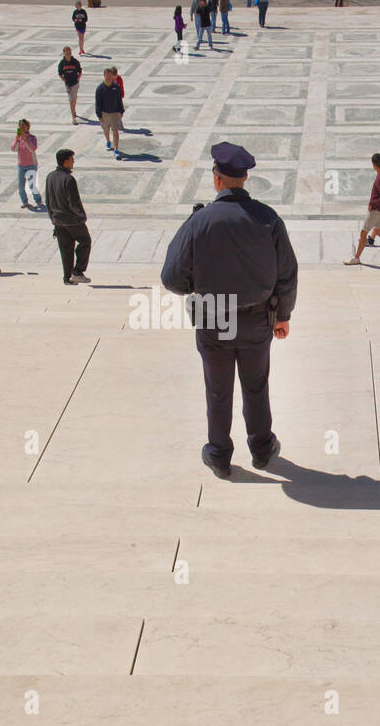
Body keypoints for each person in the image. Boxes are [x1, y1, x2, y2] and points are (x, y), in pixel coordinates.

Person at [160, 142, 298, 480]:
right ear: (245, 177)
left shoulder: (200, 221)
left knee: (218, 389)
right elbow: (287, 272)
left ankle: (220, 455)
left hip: (214, 319)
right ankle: (262, 448)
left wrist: (196, 286)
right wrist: (284, 316)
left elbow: (171, 278)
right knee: (256, 387)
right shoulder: (268, 219)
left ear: (216, 179)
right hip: (257, 321)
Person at [344, 154, 380, 266]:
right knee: (379, 231)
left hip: (375, 210)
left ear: (374, 164)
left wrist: (372, 203)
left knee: (363, 232)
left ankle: (356, 258)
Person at [45, 148, 90, 285]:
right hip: (72, 220)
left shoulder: (50, 176)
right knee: (85, 241)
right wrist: (82, 216)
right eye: (71, 159)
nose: (73, 161)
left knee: (66, 249)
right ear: (65, 162)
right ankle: (77, 271)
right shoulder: (69, 179)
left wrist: (52, 217)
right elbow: (74, 202)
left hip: (58, 220)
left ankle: (67, 278)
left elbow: (48, 199)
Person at [95, 68, 127, 159]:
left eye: (110, 76)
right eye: (107, 76)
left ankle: (116, 150)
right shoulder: (100, 88)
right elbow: (97, 102)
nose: (109, 77)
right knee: (106, 130)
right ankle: (108, 141)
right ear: (104, 76)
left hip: (115, 113)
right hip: (104, 114)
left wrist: (121, 111)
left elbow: (119, 100)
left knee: (115, 131)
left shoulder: (116, 87)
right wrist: (99, 115)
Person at [12, 119, 41, 208]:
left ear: (28, 127)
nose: (22, 128)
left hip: (31, 165)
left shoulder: (32, 138)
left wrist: (25, 140)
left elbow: (32, 148)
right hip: (21, 165)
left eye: (24, 127)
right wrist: (17, 139)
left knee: (32, 185)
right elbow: (14, 149)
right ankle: (24, 201)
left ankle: (38, 201)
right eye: (20, 127)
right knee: (21, 186)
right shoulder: (18, 138)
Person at [57, 46, 82, 124]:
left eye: (70, 53)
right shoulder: (62, 63)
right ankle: (73, 117)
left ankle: (74, 111)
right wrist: (64, 80)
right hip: (68, 84)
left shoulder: (75, 61)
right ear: (64, 53)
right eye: (67, 53)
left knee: (74, 98)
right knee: (71, 99)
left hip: (75, 83)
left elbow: (80, 70)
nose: (68, 54)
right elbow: (60, 73)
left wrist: (78, 78)